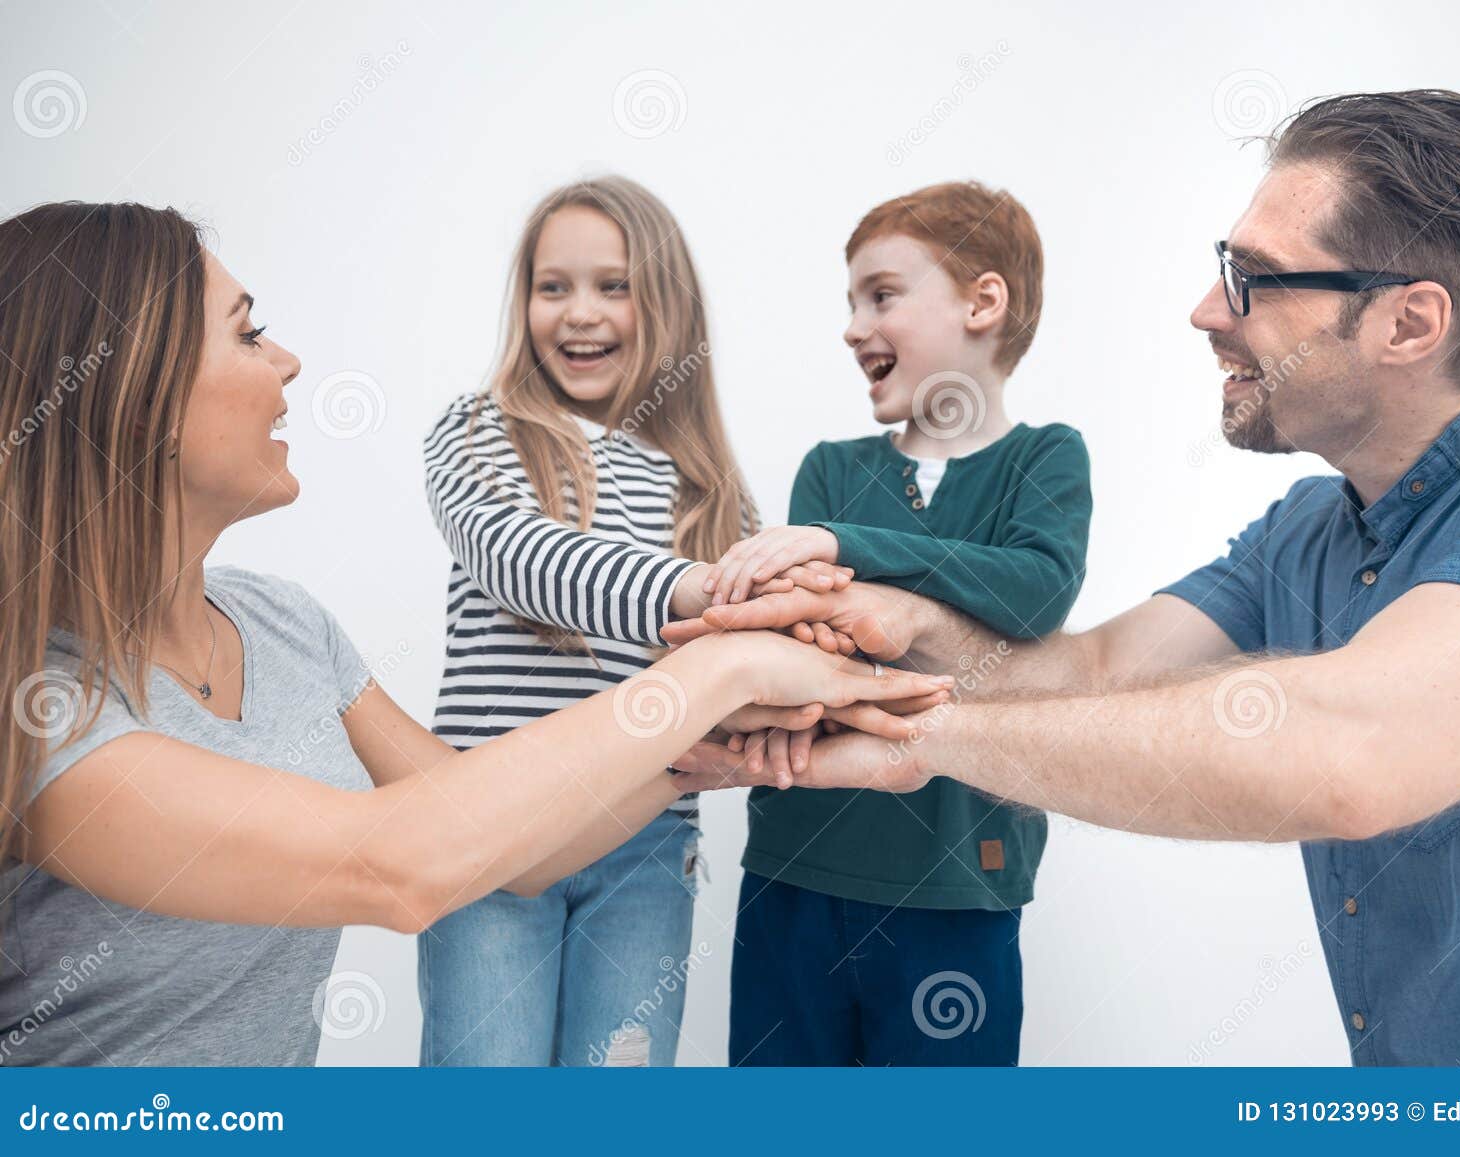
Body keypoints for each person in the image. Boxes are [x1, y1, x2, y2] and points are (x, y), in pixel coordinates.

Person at [670, 90, 1460, 1066]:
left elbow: (1350, 746)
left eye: (1255, 280)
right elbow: (1094, 666)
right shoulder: (1302, 535)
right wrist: (892, 611)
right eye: (1220, 268)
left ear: (1408, 323)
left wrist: (930, 740)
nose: (1207, 311)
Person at [0, 200, 951, 1067]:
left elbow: (516, 849)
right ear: (128, 389)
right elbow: (400, 864)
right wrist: (728, 645)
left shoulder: (288, 628)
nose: (289, 360)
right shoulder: (37, 708)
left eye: (616, 285)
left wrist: (723, 748)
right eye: (250, 333)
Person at [417, 175, 854, 1067]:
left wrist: (806, 639)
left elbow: (753, 658)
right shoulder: (478, 430)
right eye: (553, 286)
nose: (580, 313)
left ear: (667, 306)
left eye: (614, 285)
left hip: (647, 842)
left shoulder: (713, 493)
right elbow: (523, 560)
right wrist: (704, 590)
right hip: (491, 825)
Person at [699, 182, 1091, 1066]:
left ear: (984, 303)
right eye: (849, 302)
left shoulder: (1047, 457)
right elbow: (807, 647)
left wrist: (844, 543)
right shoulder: (832, 469)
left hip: (960, 886)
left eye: (881, 295)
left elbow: (1035, 594)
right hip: (794, 873)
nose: (851, 326)